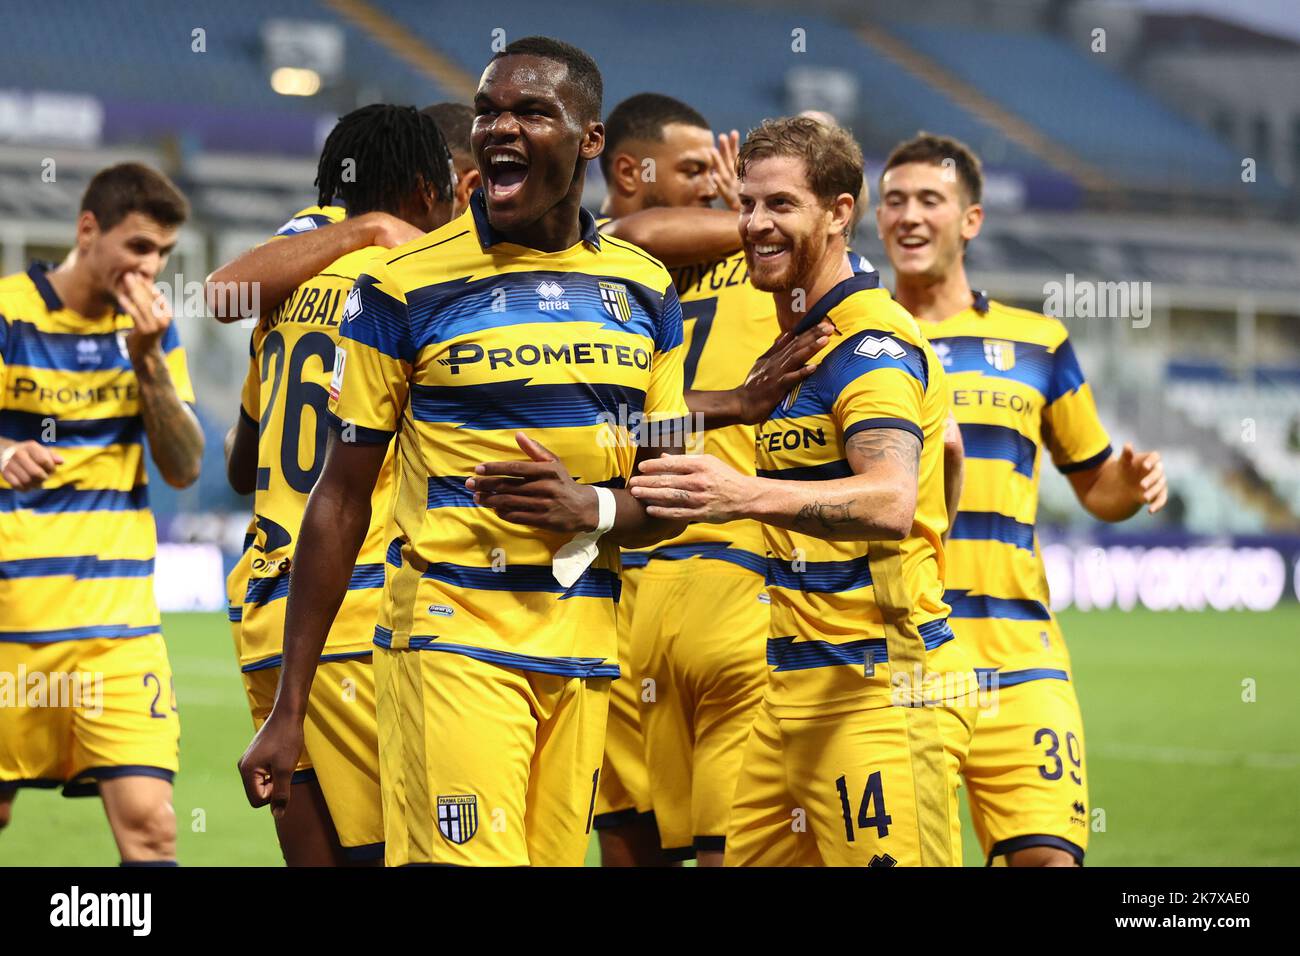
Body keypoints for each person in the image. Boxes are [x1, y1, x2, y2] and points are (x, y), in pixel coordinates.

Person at [240, 36, 690, 867]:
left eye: (530, 112)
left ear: (590, 141)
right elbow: (339, 496)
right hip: (447, 639)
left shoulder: (649, 292)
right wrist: (288, 705)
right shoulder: (400, 284)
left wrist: (590, 508)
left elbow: (667, 488)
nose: (499, 129)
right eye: (488, 112)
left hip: (583, 654)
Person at [629, 117, 976, 866]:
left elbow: (888, 501)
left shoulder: (869, 344)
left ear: (840, 213)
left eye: (781, 205)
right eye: (748, 204)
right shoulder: (797, 346)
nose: (754, 224)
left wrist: (741, 495)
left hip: (879, 692)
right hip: (791, 694)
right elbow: (943, 458)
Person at [876, 133, 1166, 866]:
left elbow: (1094, 482)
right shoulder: (849, 337)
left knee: (1049, 860)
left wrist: (1125, 488)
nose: (909, 216)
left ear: (970, 219)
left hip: (1020, 652)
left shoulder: (1038, 342)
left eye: (929, 201)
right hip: (900, 655)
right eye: (894, 200)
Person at [595, 92, 825, 866]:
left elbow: (629, 425)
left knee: (631, 833)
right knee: (731, 843)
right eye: (695, 171)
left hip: (622, 588)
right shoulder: (761, 270)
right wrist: (771, 223)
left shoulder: (601, 279)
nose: (712, 187)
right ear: (631, 170)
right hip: (730, 584)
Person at [227, 105, 456, 865]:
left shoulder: (290, 275)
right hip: (353, 611)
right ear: (429, 189)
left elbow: (241, 461)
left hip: (267, 610)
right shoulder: (419, 283)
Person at [0, 163, 203, 864]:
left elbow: (183, 464)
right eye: (140, 248)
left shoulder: (149, 333)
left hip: (117, 635)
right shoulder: (7, 315)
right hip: (11, 624)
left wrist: (147, 360)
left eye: (164, 255)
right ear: (88, 230)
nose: (151, 268)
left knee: (152, 829)